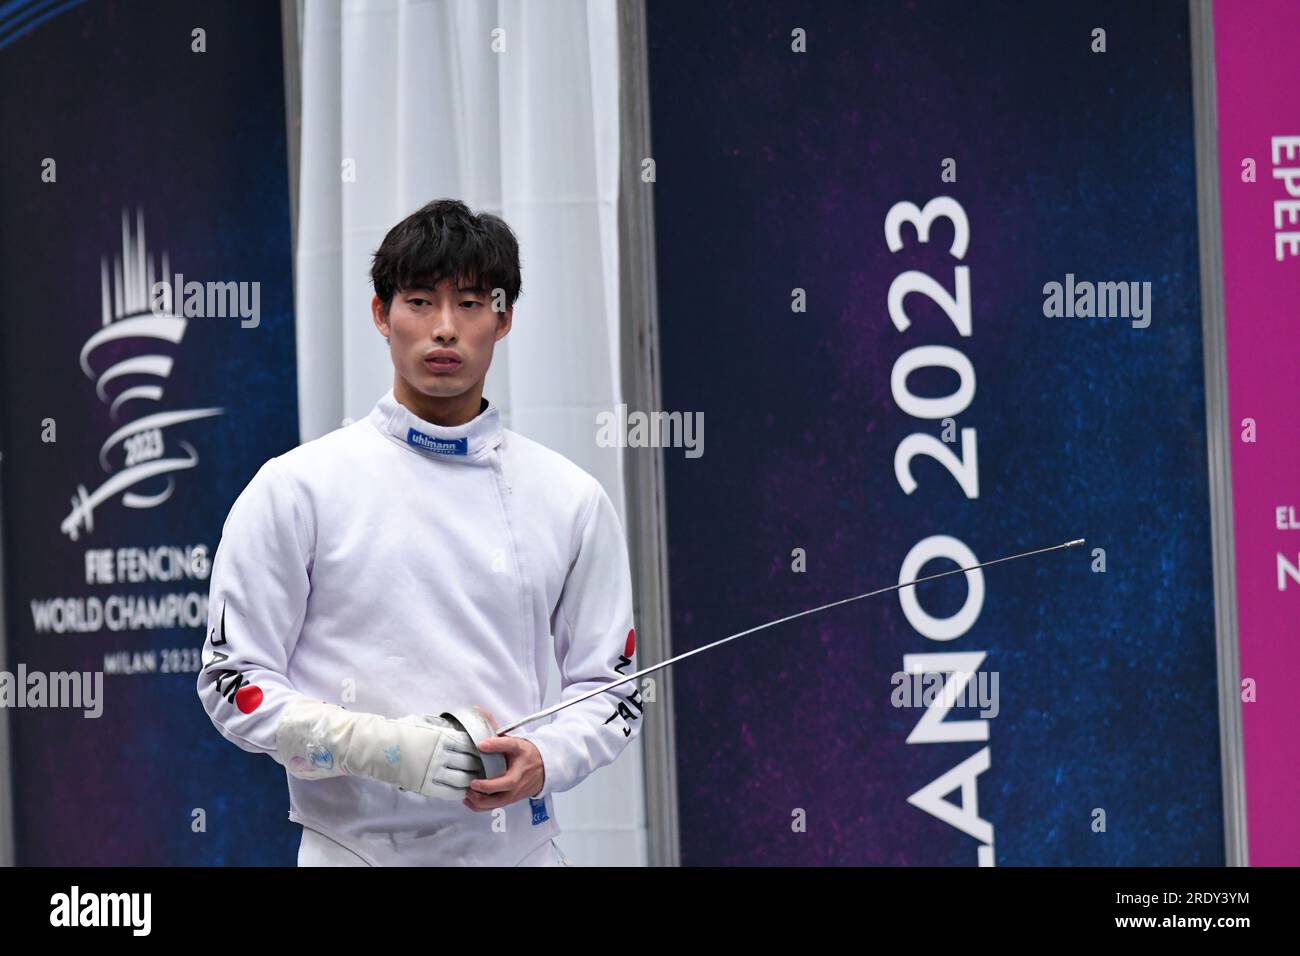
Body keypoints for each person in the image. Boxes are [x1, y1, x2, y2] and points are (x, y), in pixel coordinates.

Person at [196, 199, 642, 866]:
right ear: (381, 314)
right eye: (419, 302)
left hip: (515, 852)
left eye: (469, 304)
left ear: (503, 318)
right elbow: (232, 682)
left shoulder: (569, 498)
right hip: (352, 850)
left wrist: (546, 757)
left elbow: (613, 691)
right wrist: (385, 750)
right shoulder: (298, 487)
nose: (444, 329)